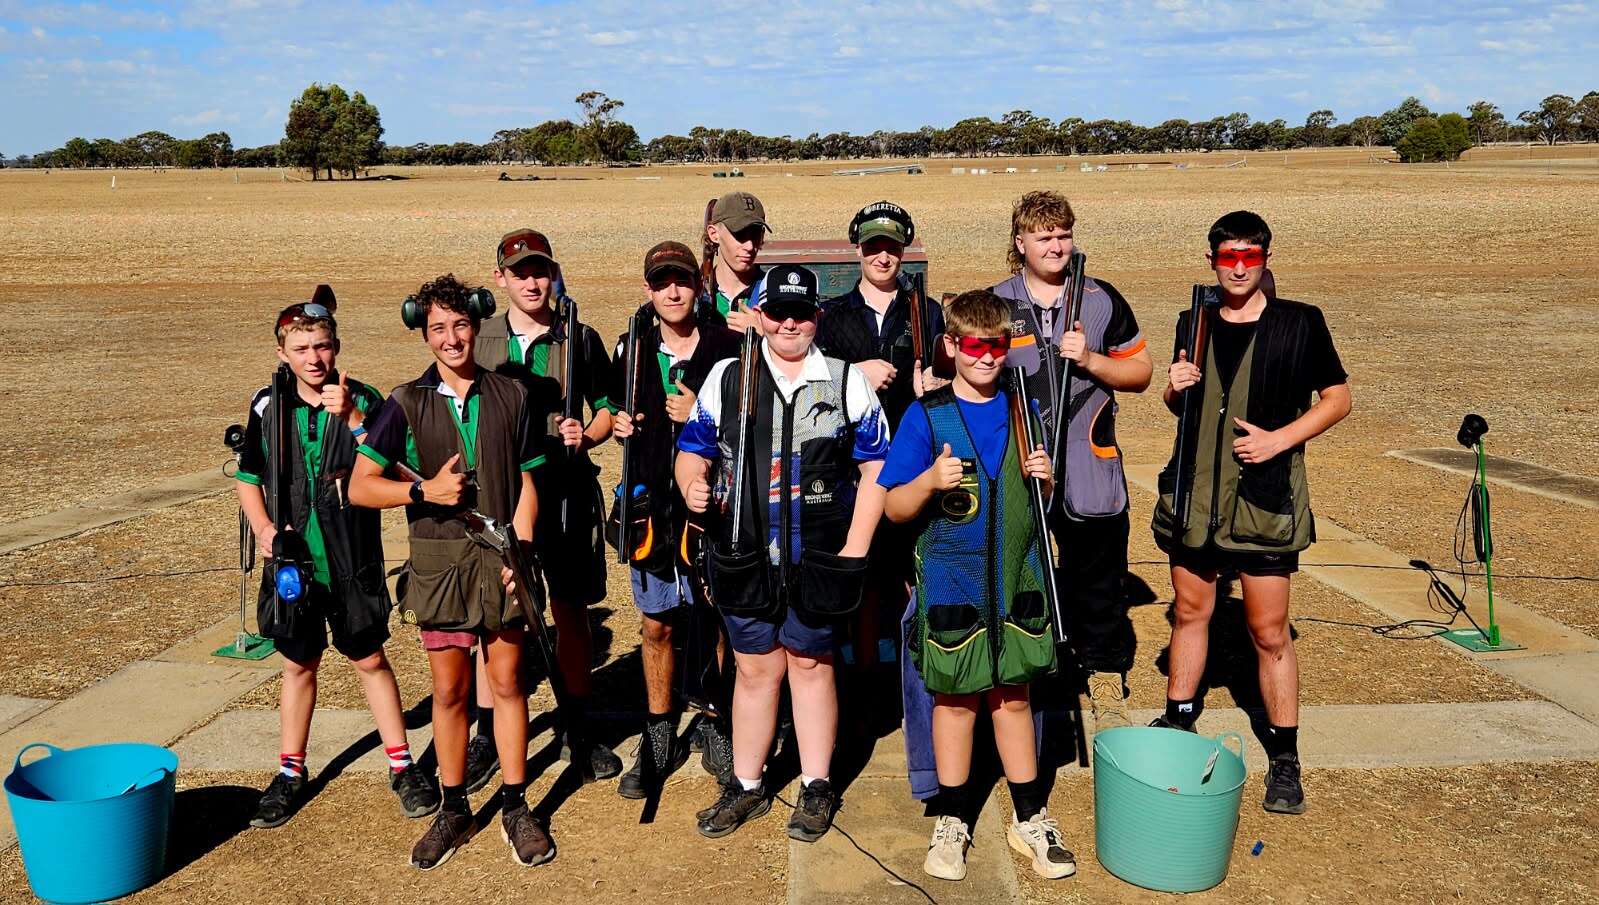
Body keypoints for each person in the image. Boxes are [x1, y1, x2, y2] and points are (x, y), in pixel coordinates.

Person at [675, 264, 890, 842]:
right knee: (754, 668)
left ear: (817, 316)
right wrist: (690, 484)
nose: (789, 324)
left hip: (820, 557)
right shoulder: (727, 377)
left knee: (813, 666)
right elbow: (692, 449)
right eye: (777, 313)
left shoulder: (848, 381)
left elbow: (876, 468)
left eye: (801, 313)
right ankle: (747, 785)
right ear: (759, 315)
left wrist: (855, 547)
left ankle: (816, 783)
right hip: (743, 556)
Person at [1151, 210, 1351, 816]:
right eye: (1227, 256)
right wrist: (1172, 386)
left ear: (1265, 259)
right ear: (1212, 259)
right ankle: (1179, 717)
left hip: (1263, 502)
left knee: (1268, 633)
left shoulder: (1300, 322)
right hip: (1196, 500)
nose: (1238, 267)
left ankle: (1285, 756)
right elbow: (1180, 407)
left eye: (1250, 256)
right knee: (1190, 612)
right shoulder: (1195, 318)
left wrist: (1279, 439)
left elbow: (1338, 398)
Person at [349, 274, 552, 869]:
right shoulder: (404, 402)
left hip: (502, 564)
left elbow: (529, 482)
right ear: (423, 333)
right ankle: (454, 805)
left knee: (510, 683)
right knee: (450, 689)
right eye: (437, 328)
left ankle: (516, 805)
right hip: (439, 567)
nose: (451, 338)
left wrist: (524, 553)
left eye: (460, 325)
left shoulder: (512, 395)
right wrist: (424, 492)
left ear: (477, 325)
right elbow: (361, 486)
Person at [881, 289, 1075, 882]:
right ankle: (953, 816)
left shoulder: (1026, 410)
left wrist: (1045, 481)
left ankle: (1029, 816)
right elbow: (892, 506)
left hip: (1018, 582)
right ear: (951, 347)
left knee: (1013, 698)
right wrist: (928, 482)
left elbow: (1039, 505)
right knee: (956, 702)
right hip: (951, 585)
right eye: (974, 346)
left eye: (998, 346)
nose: (987, 358)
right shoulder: (927, 416)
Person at [235, 296, 439, 830]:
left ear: (337, 347)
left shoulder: (368, 399)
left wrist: (350, 418)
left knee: (370, 659)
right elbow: (248, 476)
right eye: (300, 348)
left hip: (352, 558)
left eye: (321, 345)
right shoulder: (266, 406)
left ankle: (402, 765)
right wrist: (262, 528)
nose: (313, 357)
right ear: (282, 353)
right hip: (292, 565)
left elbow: (398, 466)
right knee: (299, 665)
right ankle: (290, 771)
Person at [989, 190, 1152, 731]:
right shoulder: (996, 302)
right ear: (1020, 243)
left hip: (1089, 463)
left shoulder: (1102, 300)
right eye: (1044, 237)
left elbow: (1141, 374)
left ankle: (1105, 672)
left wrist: (1091, 359)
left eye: (1063, 234)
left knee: (1099, 576)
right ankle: (1035, 670)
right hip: (1022, 462)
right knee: (1024, 575)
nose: (1057, 245)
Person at [471, 229, 622, 783]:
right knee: (492, 615)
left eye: (540, 271)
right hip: (496, 494)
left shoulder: (579, 338)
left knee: (570, 608)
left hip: (565, 490)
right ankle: (488, 731)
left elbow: (609, 411)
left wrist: (590, 432)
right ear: (501, 279)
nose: (532, 282)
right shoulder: (478, 339)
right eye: (520, 273)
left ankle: (577, 726)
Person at [608, 241, 742, 799]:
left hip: (713, 506)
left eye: (681, 280)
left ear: (697, 284)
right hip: (650, 511)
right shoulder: (630, 346)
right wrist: (609, 423)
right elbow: (605, 410)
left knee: (716, 621)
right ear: (648, 289)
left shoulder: (728, 345)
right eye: (661, 281)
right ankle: (660, 729)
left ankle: (717, 721)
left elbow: (753, 421)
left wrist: (703, 414)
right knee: (658, 624)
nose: (672, 291)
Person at [816, 200, 948, 670]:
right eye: (873, 247)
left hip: (916, 465)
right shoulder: (830, 316)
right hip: (849, 469)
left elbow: (952, 379)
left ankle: (921, 670)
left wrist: (932, 386)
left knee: (916, 571)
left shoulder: (927, 313)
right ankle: (868, 677)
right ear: (858, 250)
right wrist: (855, 374)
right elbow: (811, 384)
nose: (883, 257)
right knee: (864, 575)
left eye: (891, 247)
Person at [703, 190, 770, 334]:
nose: (750, 246)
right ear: (714, 234)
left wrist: (765, 335)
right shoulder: (695, 294)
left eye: (756, 235)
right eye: (739, 235)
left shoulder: (772, 291)